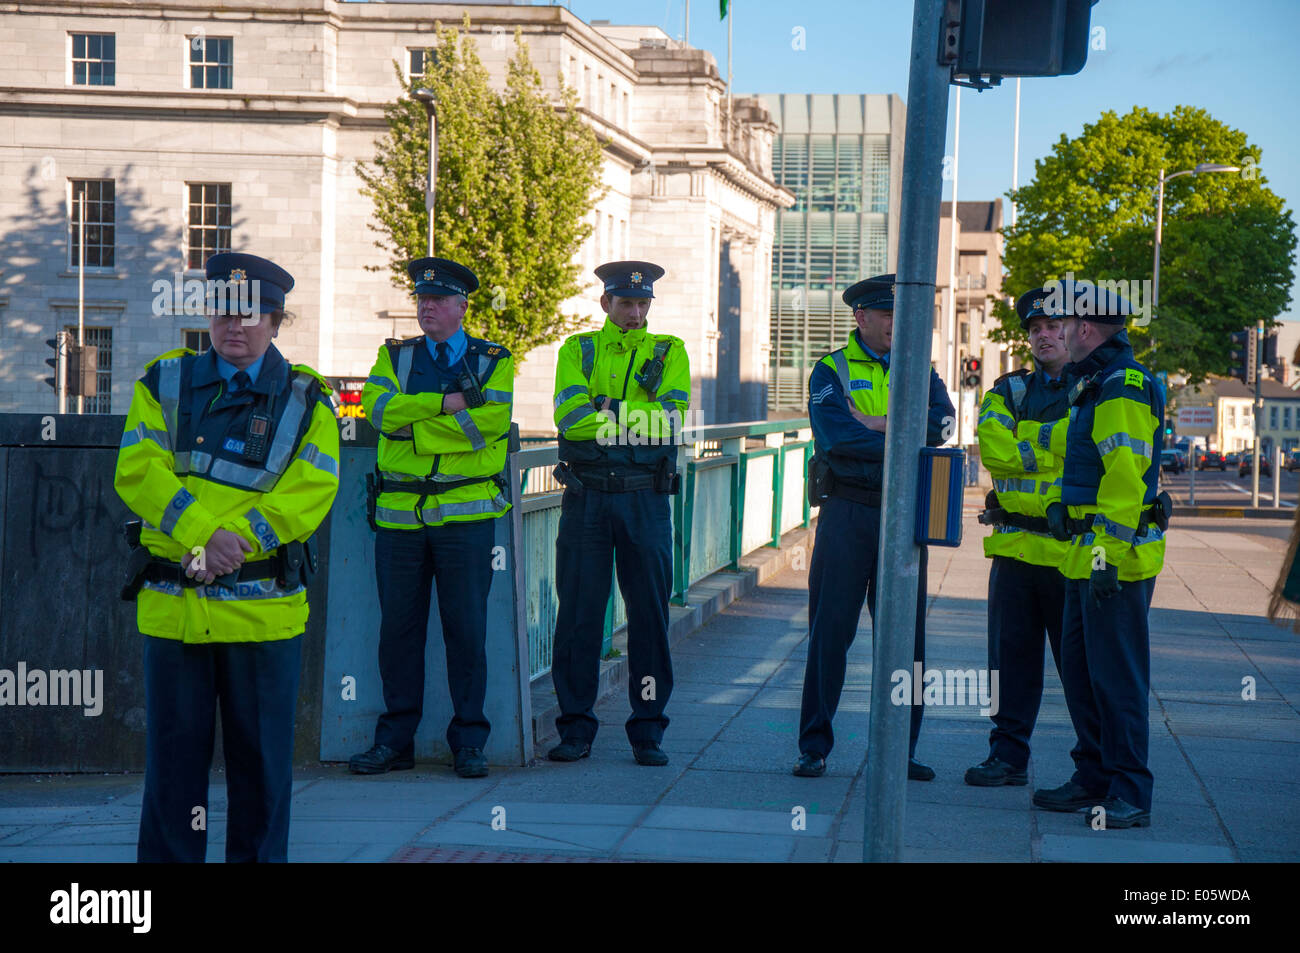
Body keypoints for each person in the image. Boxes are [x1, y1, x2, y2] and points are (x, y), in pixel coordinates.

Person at [115, 252, 340, 862]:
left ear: (276, 320)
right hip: (176, 614)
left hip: (262, 619)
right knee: (172, 778)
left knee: (262, 775)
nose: (232, 326)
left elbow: (311, 490)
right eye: (221, 312)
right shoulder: (163, 380)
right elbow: (138, 471)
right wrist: (203, 536)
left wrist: (227, 544)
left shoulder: (307, 399)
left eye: (249, 314)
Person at [349, 257, 513, 780]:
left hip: (466, 517)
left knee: (466, 630)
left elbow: (487, 428)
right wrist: (445, 403)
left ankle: (469, 741)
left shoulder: (493, 360)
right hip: (398, 516)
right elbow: (376, 414)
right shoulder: (393, 355)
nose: (426, 307)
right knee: (398, 631)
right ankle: (395, 742)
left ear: (462, 307)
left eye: (438, 300)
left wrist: (414, 425)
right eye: (421, 299)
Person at [793, 274, 955, 780]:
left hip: (904, 515)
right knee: (829, 633)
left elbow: (945, 429)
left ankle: (900, 752)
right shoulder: (830, 371)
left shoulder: (920, 370)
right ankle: (813, 747)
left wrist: (878, 422)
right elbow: (837, 437)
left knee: (907, 639)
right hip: (847, 512)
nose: (896, 323)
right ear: (861, 318)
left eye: (901, 314)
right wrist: (902, 430)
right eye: (887, 315)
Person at [1032, 279, 1168, 829]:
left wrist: (1107, 556)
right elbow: (1090, 466)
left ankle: (1130, 790)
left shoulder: (1121, 386)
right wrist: (1066, 505)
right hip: (1086, 554)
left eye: (1062, 325)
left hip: (1114, 560)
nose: (1058, 334)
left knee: (1118, 678)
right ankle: (1092, 776)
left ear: (1085, 328)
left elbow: (1124, 477)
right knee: (1084, 675)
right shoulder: (1095, 383)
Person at [547, 260, 690, 767]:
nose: (634, 312)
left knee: (650, 617)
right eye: (625, 303)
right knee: (580, 616)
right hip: (586, 497)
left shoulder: (669, 351)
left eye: (642, 303)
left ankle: (648, 731)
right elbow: (569, 419)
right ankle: (576, 728)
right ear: (605, 303)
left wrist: (603, 408)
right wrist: (632, 418)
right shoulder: (577, 349)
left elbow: (671, 422)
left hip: (644, 499)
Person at [965, 288, 1071, 786]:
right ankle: (1007, 758)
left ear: (1074, 330)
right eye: (1035, 329)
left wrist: (1025, 442)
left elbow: (1089, 451)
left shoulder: (1096, 387)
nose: (1044, 336)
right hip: (1012, 549)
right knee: (1007, 664)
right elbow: (994, 450)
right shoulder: (1008, 389)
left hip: (1071, 552)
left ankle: (1093, 767)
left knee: (1082, 669)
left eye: (1053, 326)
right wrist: (1053, 444)